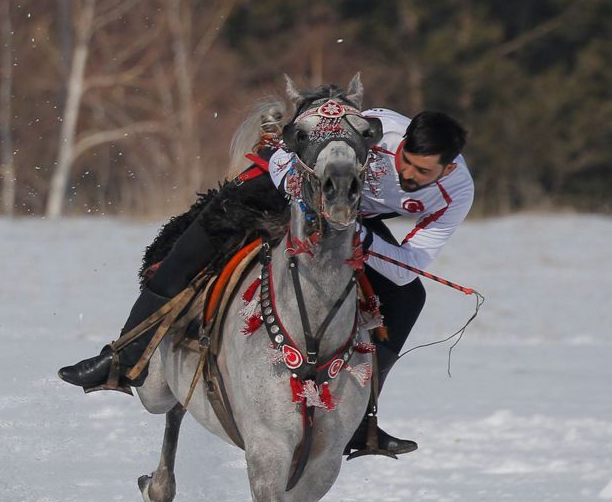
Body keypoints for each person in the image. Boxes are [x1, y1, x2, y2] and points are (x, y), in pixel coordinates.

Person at [58, 103, 472, 457]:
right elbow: (300, 148)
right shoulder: (369, 128)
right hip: (289, 180)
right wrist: (313, 201)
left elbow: (407, 265)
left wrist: (352, 233)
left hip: (352, 216)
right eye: (406, 161)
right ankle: (122, 359)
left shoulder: (458, 194)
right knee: (191, 246)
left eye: (423, 172)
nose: (409, 174)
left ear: (449, 168)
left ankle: (363, 418)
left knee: (409, 295)